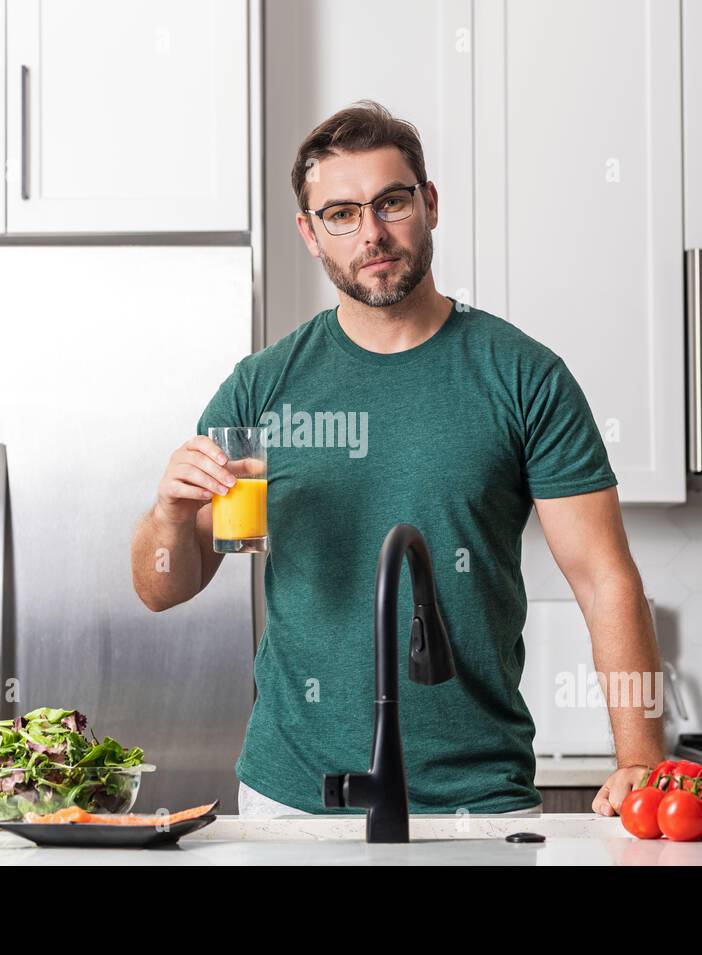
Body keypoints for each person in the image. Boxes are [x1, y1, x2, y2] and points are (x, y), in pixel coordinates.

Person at [131, 100, 664, 818]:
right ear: (310, 233)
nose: (372, 233)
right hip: (293, 802)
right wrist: (168, 515)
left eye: (392, 202)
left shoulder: (523, 376)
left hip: (477, 800)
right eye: (341, 214)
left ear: (430, 204)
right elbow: (162, 588)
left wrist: (641, 759)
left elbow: (605, 578)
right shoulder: (262, 388)